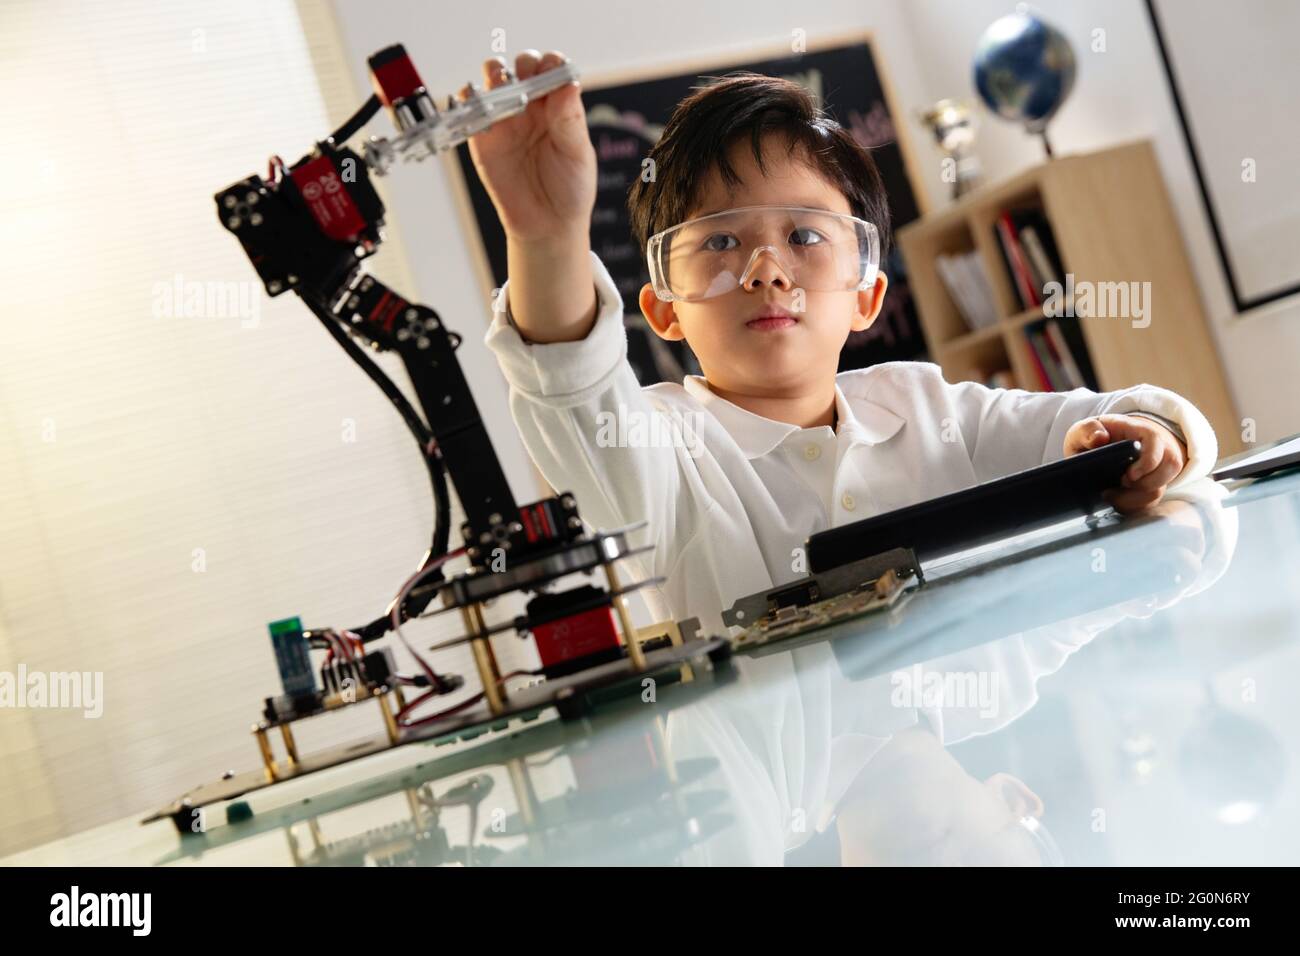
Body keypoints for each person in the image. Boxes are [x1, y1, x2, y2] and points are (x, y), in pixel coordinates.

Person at [467, 50, 1218, 636]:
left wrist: (1153, 433)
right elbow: (572, 392)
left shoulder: (924, 409)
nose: (765, 273)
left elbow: (1133, 417)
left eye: (803, 235)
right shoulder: (661, 454)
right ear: (663, 311)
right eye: (721, 240)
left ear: (867, 295)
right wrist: (547, 237)